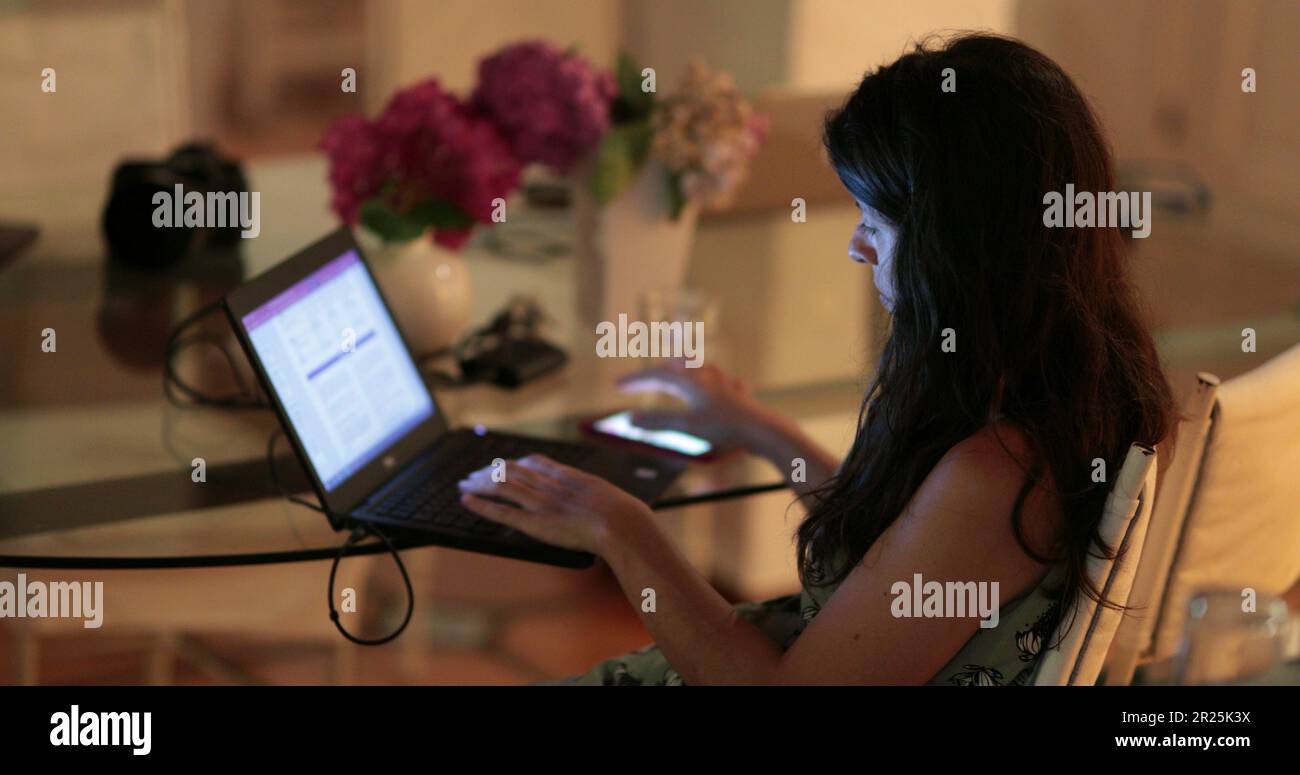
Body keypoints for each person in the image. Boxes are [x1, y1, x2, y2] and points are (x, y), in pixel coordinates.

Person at [457, 33, 1177, 685]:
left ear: (954, 240)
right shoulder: (1061, 379)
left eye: (872, 222)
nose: (855, 245)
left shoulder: (996, 469)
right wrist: (757, 427)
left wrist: (622, 528)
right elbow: (906, 555)